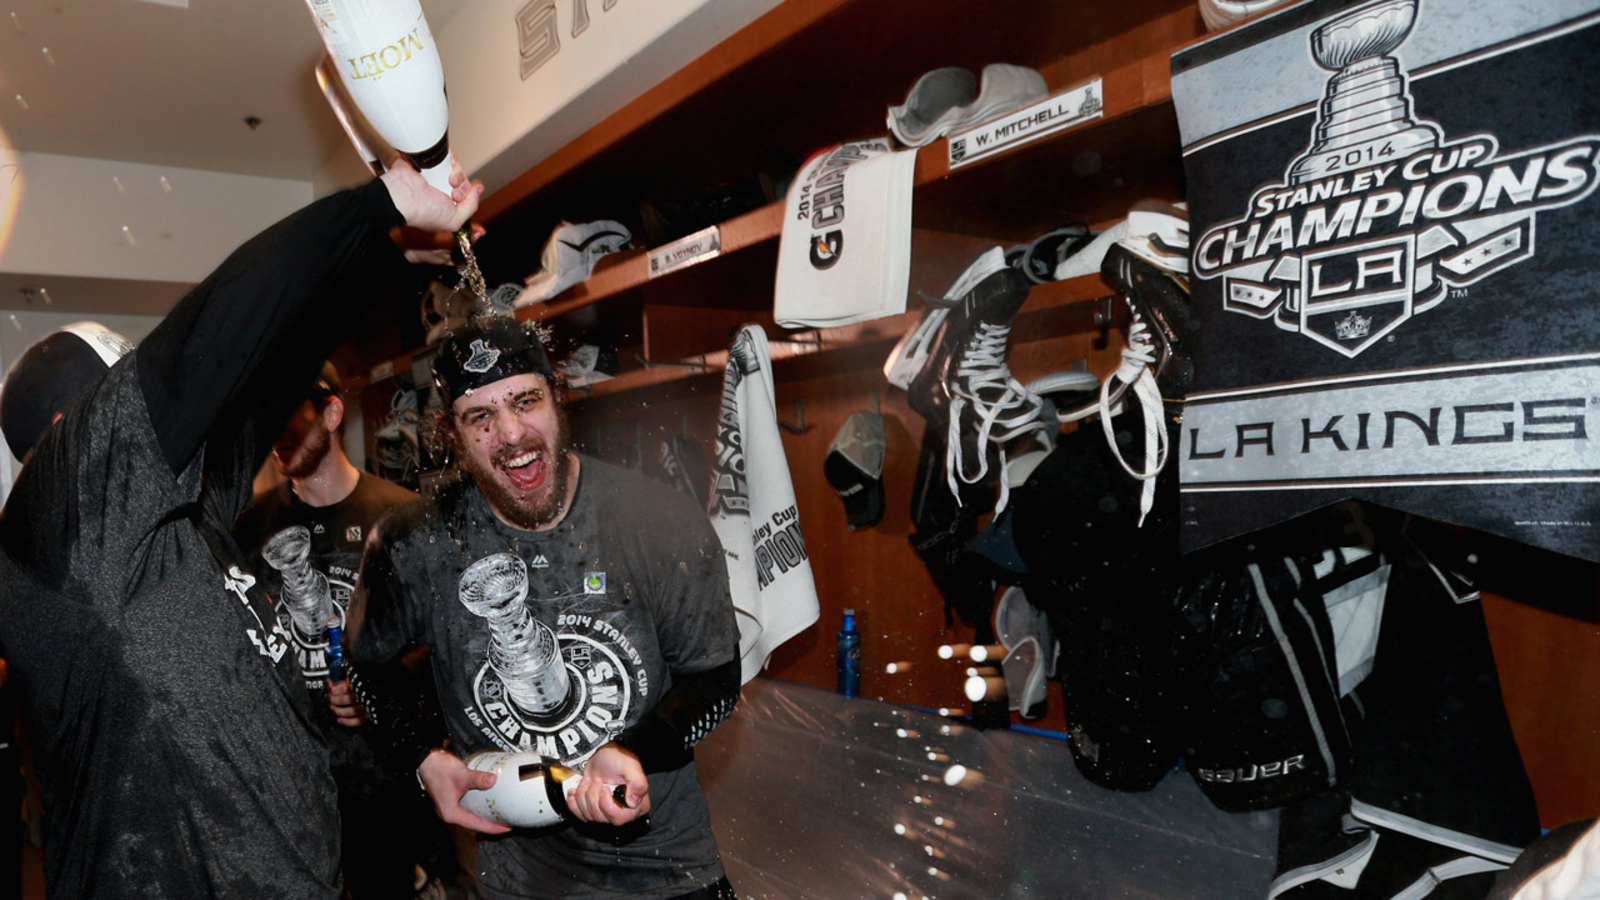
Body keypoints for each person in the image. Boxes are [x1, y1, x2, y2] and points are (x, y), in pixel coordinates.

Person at [0, 160, 481, 897]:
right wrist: (373, 203)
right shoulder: (51, 525)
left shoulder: (171, 517)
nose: (168, 423)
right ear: (77, 433)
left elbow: (265, 374)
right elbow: (206, 345)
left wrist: (381, 250)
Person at [345, 316, 742, 900]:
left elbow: (717, 678)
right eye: (480, 417)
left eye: (525, 401)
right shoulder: (416, 544)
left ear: (558, 400)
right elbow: (366, 667)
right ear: (452, 436)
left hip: (668, 873)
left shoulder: (657, 520)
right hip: (523, 885)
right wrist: (422, 757)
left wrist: (632, 749)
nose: (510, 434)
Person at [233, 362, 448, 899]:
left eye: (289, 418)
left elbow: (450, 646)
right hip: (288, 792)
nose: (277, 439)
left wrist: (385, 684)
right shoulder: (250, 526)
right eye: (269, 422)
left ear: (330, 413)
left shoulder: (403, 518)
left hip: (385, 788)